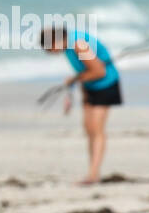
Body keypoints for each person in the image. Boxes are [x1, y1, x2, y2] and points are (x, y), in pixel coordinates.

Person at [42, 24, 123, 185]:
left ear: (55, 42)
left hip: (105, 85)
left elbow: (99, 72)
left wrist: (73, 80)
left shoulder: (78, 44)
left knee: (97, 129)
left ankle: (93, 175)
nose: (49, 52)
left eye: (48, 48)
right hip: (89, 86)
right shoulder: (67, 46)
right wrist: (74, 90)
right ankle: (92, 173)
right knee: (89, 128)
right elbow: (85, 71)